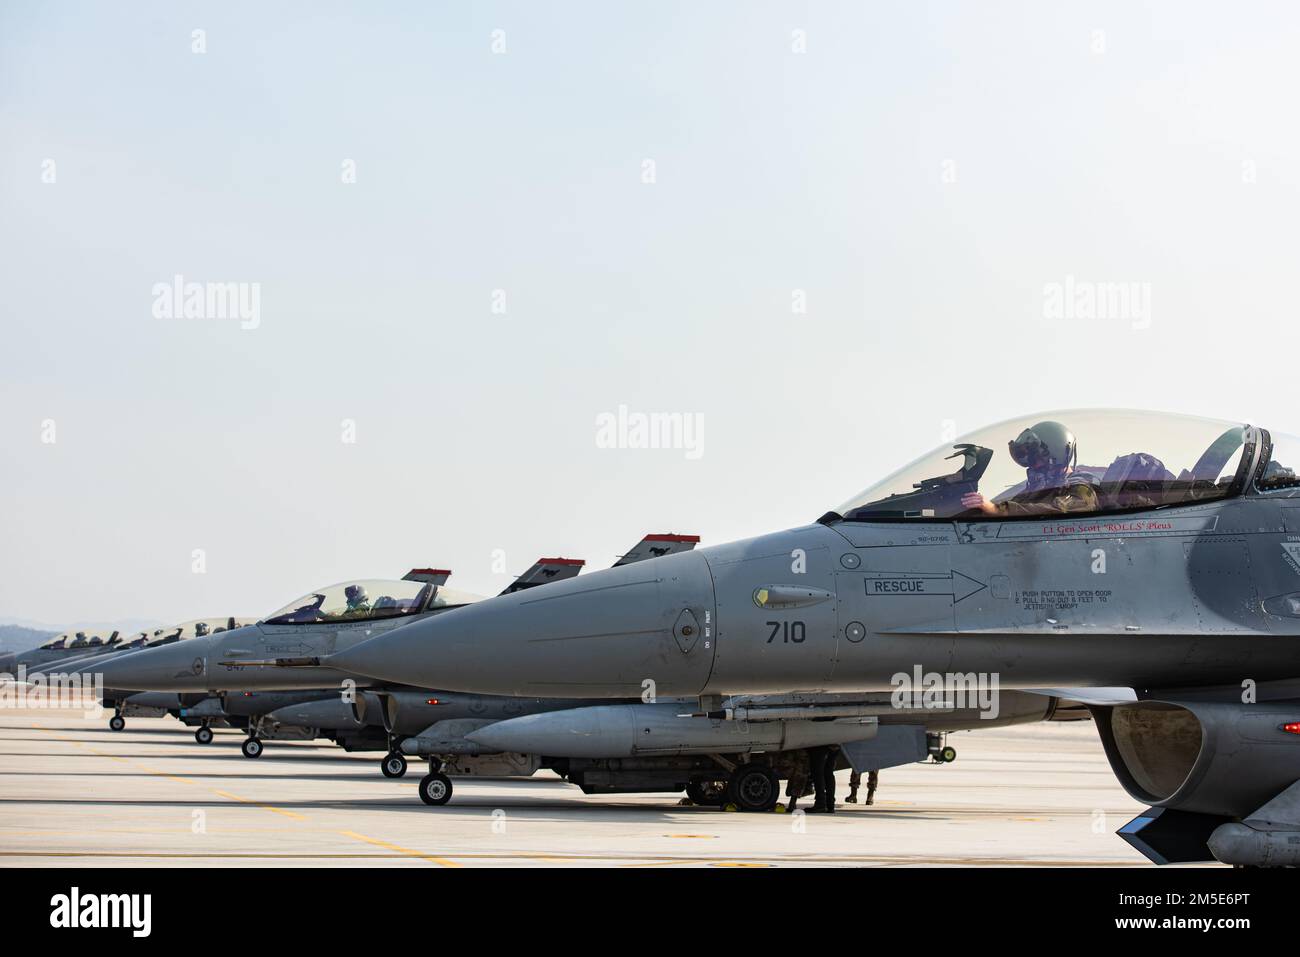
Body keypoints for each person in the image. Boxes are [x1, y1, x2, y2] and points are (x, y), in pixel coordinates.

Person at [960, 420, 1098, 517]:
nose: (1033, 467)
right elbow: (1012, 512)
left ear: (1056, 455)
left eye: (1037, 460)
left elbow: (1058, 512)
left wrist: (998, 510)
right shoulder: (1032, 493)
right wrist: (980, 507)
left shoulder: (1081, 489)